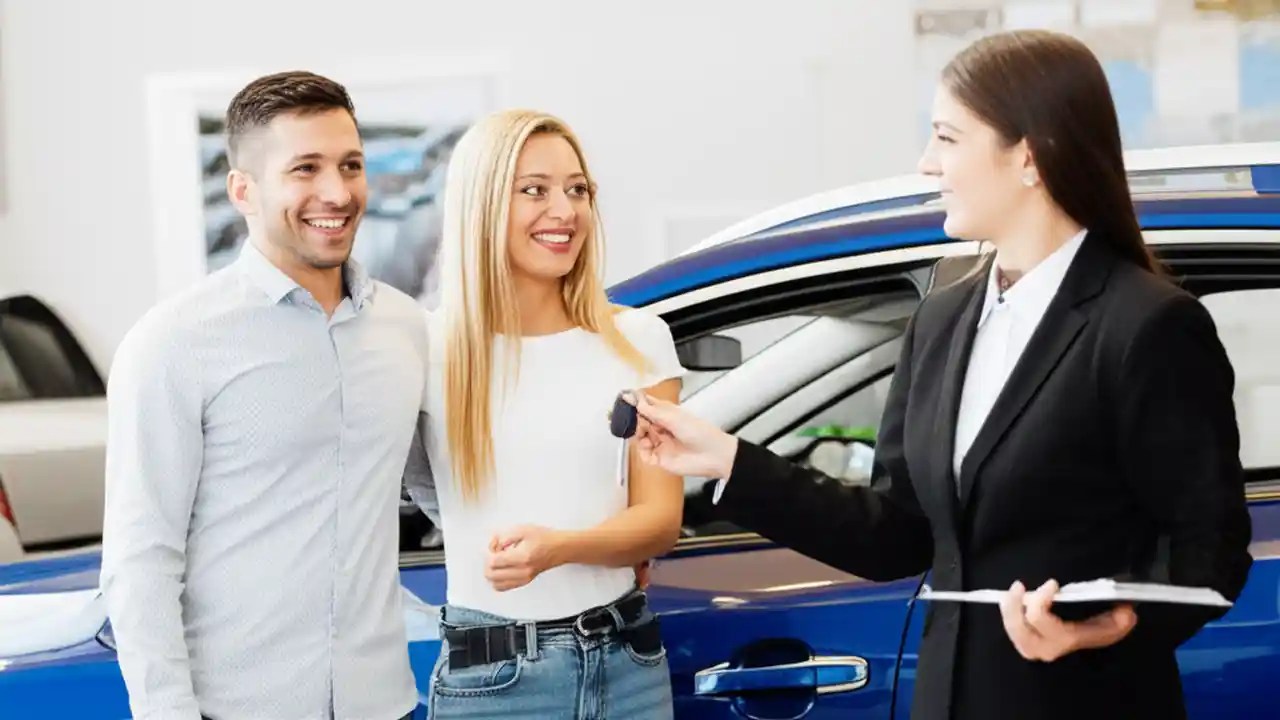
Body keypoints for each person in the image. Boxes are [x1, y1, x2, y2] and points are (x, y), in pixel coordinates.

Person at [627, 29, 1253, 720]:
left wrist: (1111, 621)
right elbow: (896, 533)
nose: (928, 165)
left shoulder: (1147, 325)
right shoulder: (942, 319)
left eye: (947, 138)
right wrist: (728, 462)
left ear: (1028, 155)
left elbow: (1209, 553)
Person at [101, 71, 426, 720]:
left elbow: (449, 493)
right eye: (305, 168)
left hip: (384, 704)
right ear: (243, 190)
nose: (336, 192)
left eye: (350, 165)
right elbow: (141, 562)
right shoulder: (172, 342)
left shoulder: (408, 327)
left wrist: (590, 548)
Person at [402, 108, 685, 719]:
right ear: (481, 205)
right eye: (534, 190)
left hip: (627, 665)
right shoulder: (424, 352)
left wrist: (560, 548)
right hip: (493, 682)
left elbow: (661, 519)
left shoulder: (639, 339)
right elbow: (426, 489)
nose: (565, 211)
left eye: (577, 190)